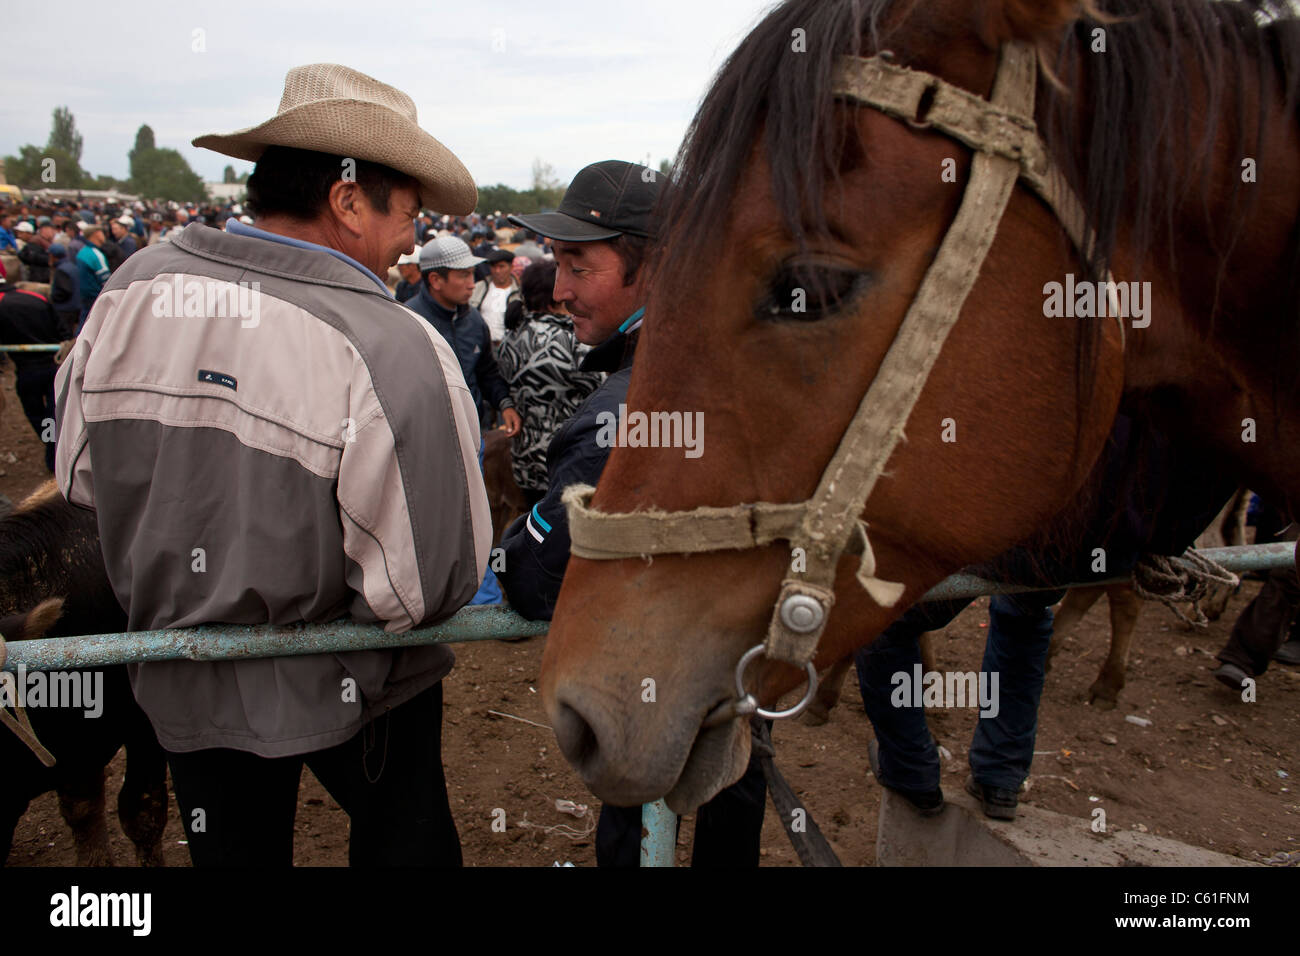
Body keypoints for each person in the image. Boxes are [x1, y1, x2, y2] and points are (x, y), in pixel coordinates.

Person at [55, 63, 492, 867]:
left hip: (183, 676)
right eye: (410, 212)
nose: (412, 238)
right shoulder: (395, 347)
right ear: (349, 198)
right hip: (362, 689)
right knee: (410, 845)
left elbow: (80, 479)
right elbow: (423, 587)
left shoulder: (129, 290)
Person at [498, 160, 768, 867]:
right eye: (556, 265)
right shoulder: (744, 365)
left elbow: (537, 578)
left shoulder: (626, 412)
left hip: (652, 698)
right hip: (736, 682)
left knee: (643, 827)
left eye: (579, 266)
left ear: (654, 266)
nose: (558, 291)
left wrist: (505, 550)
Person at [495, 259, 602, 505]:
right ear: (554, 296)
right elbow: (601, 392)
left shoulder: (511, 338)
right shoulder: (572, 341)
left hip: (525, 465)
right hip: (567, 465)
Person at [405, 236, 522, 435]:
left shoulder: (474, 321)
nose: (471, 284)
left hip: (473, 430)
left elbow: (486, 372)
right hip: (427, 436)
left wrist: (504, 403)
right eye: (464, 276)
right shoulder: (409, 323)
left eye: (472, 275)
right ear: (435, 280)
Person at [0, 272, 63, 470]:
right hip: (53, 364)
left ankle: (52, 449)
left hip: (27, 369)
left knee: (36, 412)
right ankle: (54, 446)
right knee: (53, 410)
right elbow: (63, 331)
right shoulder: (37, 297)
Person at [469, 248, 521, 345]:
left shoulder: (519, 293)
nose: (497, 271)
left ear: (511, 267)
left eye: (501, 267)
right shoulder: (478, 288)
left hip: (509, 346)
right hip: (482, 345)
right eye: (494, 267)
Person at [74, 222, 110, 326]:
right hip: (95, 298)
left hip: (85, 296)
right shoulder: (96, 255)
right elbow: (106, 281)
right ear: (97, 234)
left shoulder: (82, 252)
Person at [47, 243, 81, 336]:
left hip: (65, 309)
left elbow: (64, 290)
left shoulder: (61, 270)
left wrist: (53, 298)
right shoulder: (72, 266)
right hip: (75, 306)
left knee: (66, 335)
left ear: (53, 256)